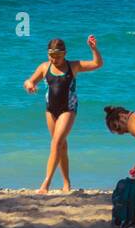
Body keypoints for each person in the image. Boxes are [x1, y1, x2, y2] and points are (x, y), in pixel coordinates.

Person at [24, 36, 103, 193]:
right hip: (50, 110)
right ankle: (66, 183)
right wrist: (30, 85)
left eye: (57, 57)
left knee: (56, 143)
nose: (54, 60)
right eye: (51, 56)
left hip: (68, 109)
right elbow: (29, 81)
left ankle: (45, 184)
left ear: (65, 53)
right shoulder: (44, 67)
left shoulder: (73, 66)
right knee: (61, 146)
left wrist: (93, 49)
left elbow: (97, 64)